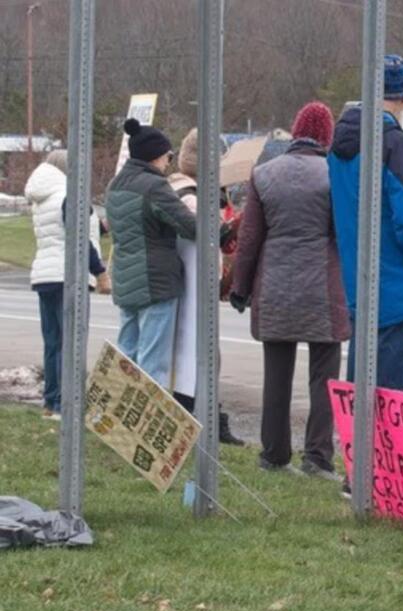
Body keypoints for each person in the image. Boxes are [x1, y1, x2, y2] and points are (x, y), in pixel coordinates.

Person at [231, 101, 351, 477]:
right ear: (327, 136)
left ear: (295, 130)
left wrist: (239, 286)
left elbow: (249, 237)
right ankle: (317, 456)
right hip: (323, 287)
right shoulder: (336, 175)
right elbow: (345, 235)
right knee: (324, 377)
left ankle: (274, 453)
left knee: (276, 374)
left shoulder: (264, 174)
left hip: (276, 287)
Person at [328, 54, 403, 395]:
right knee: (396, 405)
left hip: (359, 287)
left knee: (363, 400)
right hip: (399, 290)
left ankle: (360, 451)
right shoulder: (395, 145)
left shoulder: (339, 149)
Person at [106, 118, 218, 387]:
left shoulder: (115, 185)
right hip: (155, 282)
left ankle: (121, 422)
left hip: (125, 280)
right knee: (152, 362)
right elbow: (190, 226)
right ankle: (143, 426)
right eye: (168, 155)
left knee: (127, 355)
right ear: (155, 155)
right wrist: (217, 223)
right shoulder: (153, 186)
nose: (169, 161)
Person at [168, 128, 244, 446]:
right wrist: (232, 227)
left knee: (201, 352)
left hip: (192, 282)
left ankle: (208, 413)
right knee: (197, 354)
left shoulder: (182, 189)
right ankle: (204, 415)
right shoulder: (189, 195)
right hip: (191, 284)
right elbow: (207, 235)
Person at [25, 150, 110, 420]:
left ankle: (51, 402)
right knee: (71, 343)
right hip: (68, 276)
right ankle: (66, 404)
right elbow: (78, 237)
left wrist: (102, 227)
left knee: (53, 342)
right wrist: (100, 271)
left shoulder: (44, 194)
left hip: (45, 275)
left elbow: (61, 230)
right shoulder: (68, 193)